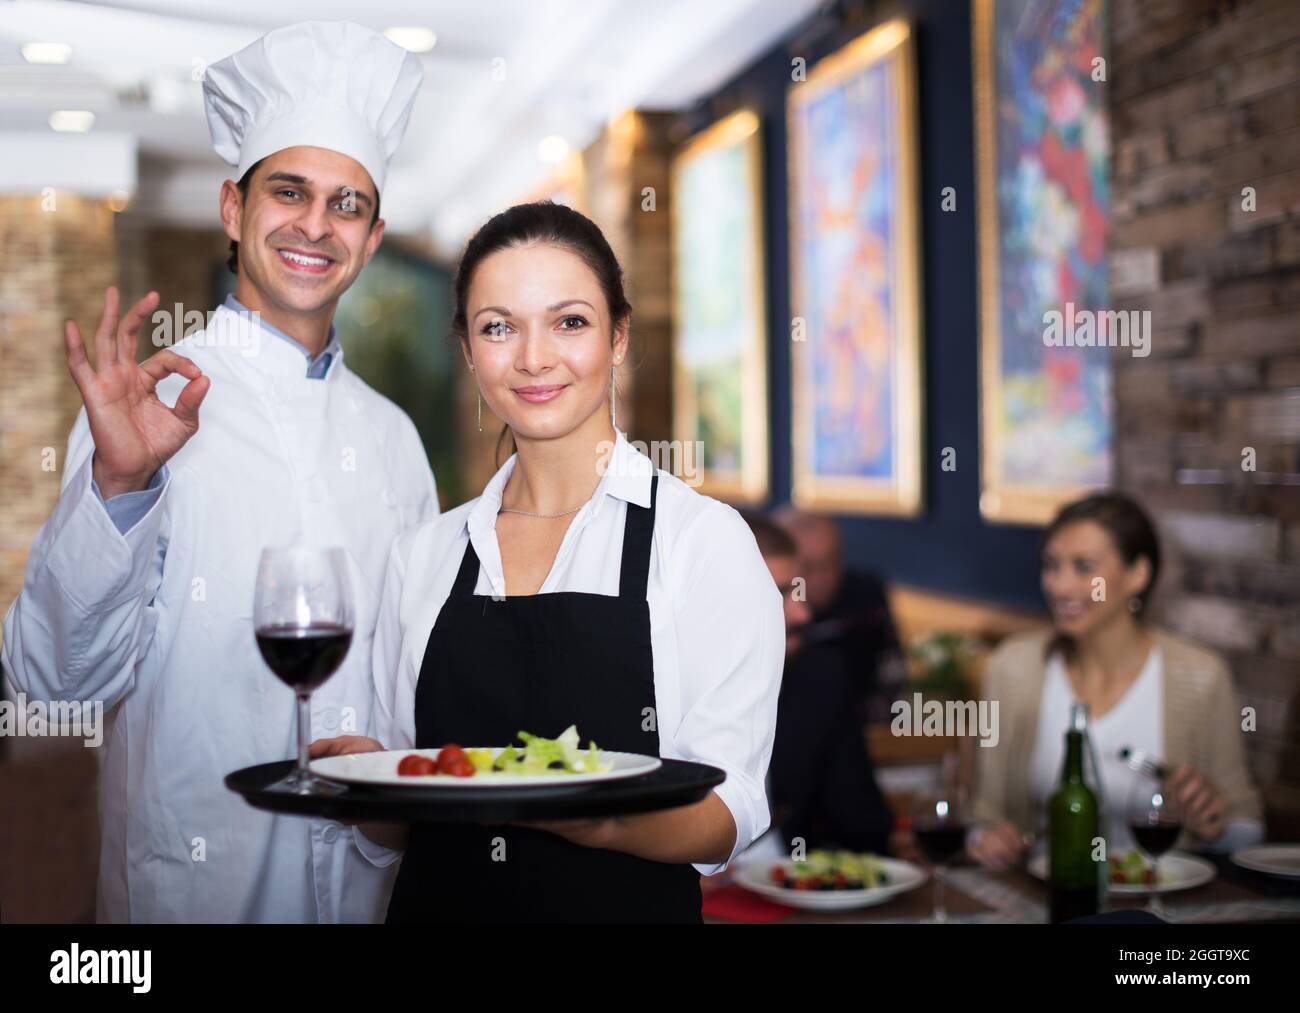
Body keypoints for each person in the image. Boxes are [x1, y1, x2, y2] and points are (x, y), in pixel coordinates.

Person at [2, 22, 436, 922]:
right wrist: (120, 487)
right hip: (191, 890)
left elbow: (408, 680)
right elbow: (52, 688)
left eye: (347, 203)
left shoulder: (394, 438)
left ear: (374, 233)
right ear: (234, 209)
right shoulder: (150, 407)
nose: (317, 225)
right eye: (289, 192)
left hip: (369, 888)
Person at [311, 201, 785, 923]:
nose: (533, 358)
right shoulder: (426, 555)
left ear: (619, 336)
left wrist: (604, 825)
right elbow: (403, 830)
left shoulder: (701, 541)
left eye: (570, 321)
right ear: (469, 351)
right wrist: (367, 789)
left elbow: (731, 807)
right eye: (498, 327)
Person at [968, 493, 1265, 869]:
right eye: (1051, 566)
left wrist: (1213, 820)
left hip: (1161, 900)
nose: (1059, 586)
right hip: (1049, 897)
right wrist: (988, 839)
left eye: (1083, 567)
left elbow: (1247, 829)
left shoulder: (1201, 676)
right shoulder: (1013, 668)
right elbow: (982, 815)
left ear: (1137, 574)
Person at [743, 513, 894, 857]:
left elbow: (861, 825)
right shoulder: (657, 688)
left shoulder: (819, 677)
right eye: (779, 594)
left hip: (793, 890)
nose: (803, 614)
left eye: (798, 590)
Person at [773, 507, 904, 723]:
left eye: (832, 560)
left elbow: (892, 677)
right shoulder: (768, 610)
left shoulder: (866, 597)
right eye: (809, 566)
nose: (824, 576)